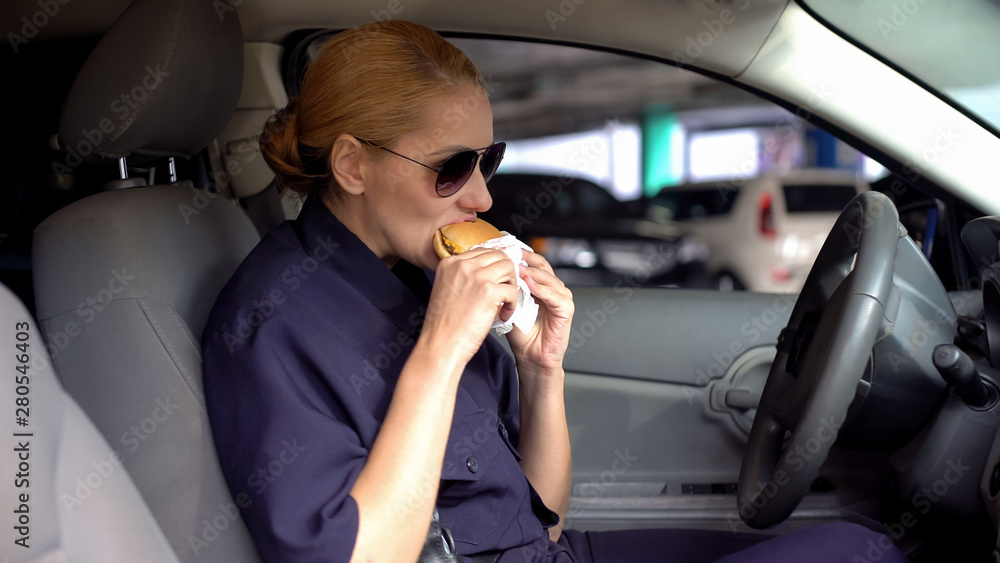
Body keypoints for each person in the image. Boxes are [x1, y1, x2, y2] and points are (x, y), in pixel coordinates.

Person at [201, 20, 910, 563]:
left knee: (853, 541)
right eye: (451, 168)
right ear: (354, 165)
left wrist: (543, 371)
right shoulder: (272, 321)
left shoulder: (423, 276)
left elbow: (543, 518)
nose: (481, 195)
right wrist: (439, 354)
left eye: (488, 161)